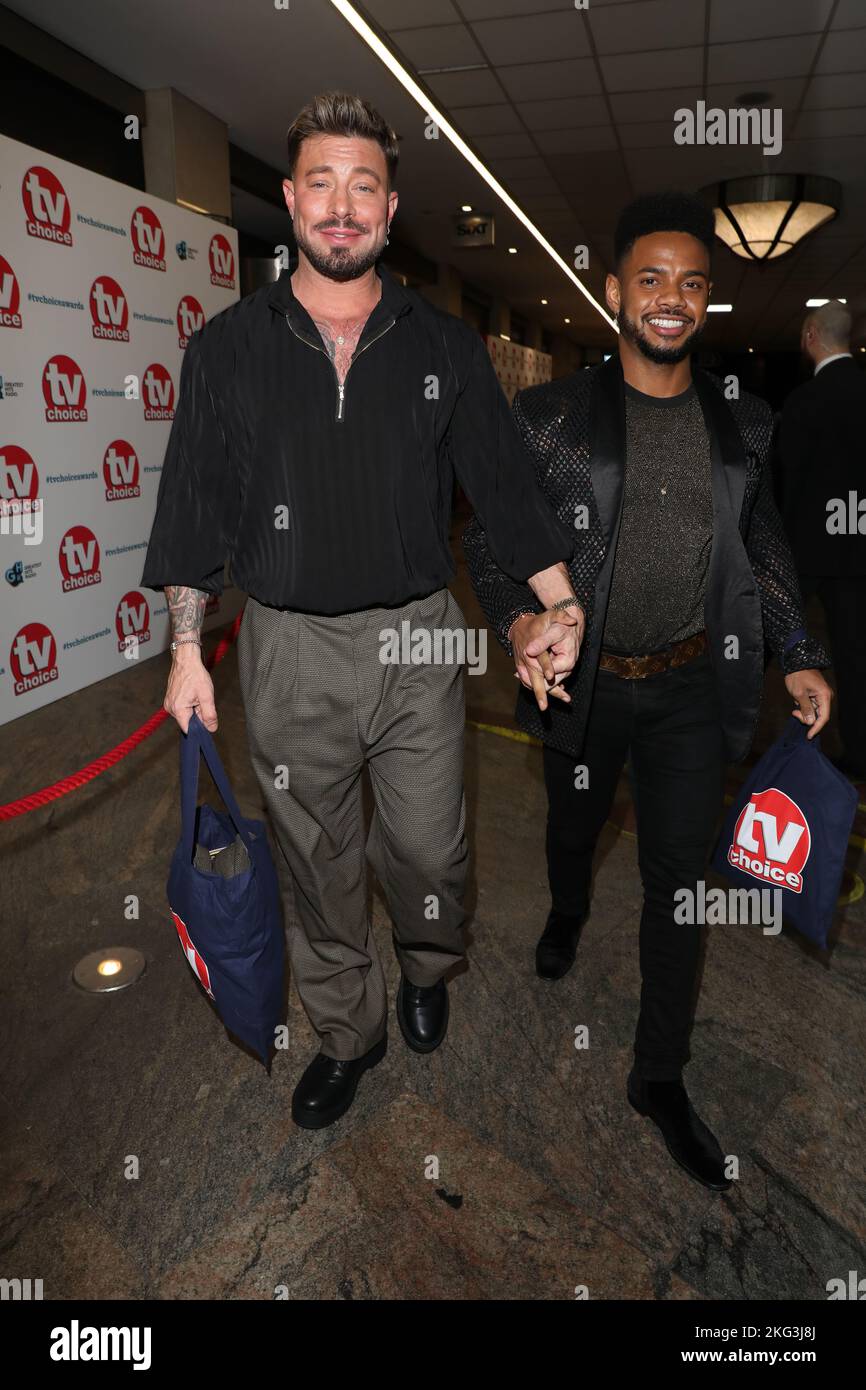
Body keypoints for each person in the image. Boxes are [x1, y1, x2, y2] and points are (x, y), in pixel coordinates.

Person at [141, 92, 580, 1130]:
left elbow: (505, 497)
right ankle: (350, 1029)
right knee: (316, 858)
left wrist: (554, 604)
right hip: (285, 647)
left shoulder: (446, 348)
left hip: (420, 634)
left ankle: (426, 964)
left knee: (429, 849)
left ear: (391, 207)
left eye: (363, 186)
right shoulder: (225, 351)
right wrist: (186, 650)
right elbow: (194, 509)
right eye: (320, 185)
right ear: (290, 199)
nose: (341, 207)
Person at [463, 191, 834, 1191]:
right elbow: (492, 546)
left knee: (678, 886)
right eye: (651, 280)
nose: (670, 300)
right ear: (613, 289)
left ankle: (656, 1076)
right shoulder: (547, 419)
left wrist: (794, 649)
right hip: (577, 689)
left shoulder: (741, 425)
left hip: (683, 690)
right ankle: (564, 907)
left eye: (690, 285)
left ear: (704, 303)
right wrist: (520, 622)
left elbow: (760, 544)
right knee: (571, 831)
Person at [779, 301, 866, 780]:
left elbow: (788, 479)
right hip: (859, 549)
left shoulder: (803, 402)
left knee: (775, 642)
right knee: (856, 655)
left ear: (811, 335)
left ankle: (738, 735)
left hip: (807, 549)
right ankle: (859, 751)